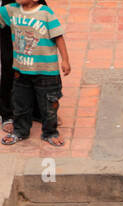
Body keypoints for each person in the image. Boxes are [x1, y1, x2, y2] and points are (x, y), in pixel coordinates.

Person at [0, 0, 69, 147]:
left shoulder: (46, 13)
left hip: (46, 72)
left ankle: (50, 132)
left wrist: (65, 60)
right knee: (20, 104)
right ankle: (20, 131)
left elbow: (58, 37)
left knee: (49, 105)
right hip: (21, 71)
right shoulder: (11, 10)